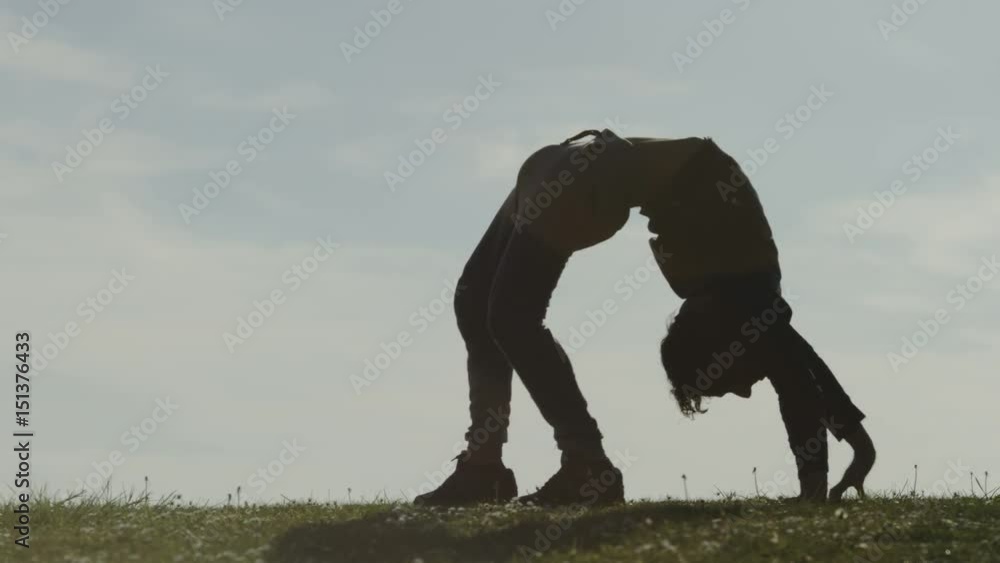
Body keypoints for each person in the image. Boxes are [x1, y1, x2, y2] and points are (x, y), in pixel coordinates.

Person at [413, 128, 875, 507]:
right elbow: (796, 373)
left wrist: (855, 436)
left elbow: (796, 361)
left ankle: (510, 467)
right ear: (730, 350)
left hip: (573, 164)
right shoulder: (746, 294)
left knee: (490, 310)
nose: (747, 388)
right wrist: (817, 484)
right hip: (586, 171)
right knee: (491, 311)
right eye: (734, 381)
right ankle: (559, 467)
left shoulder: (737, 295)